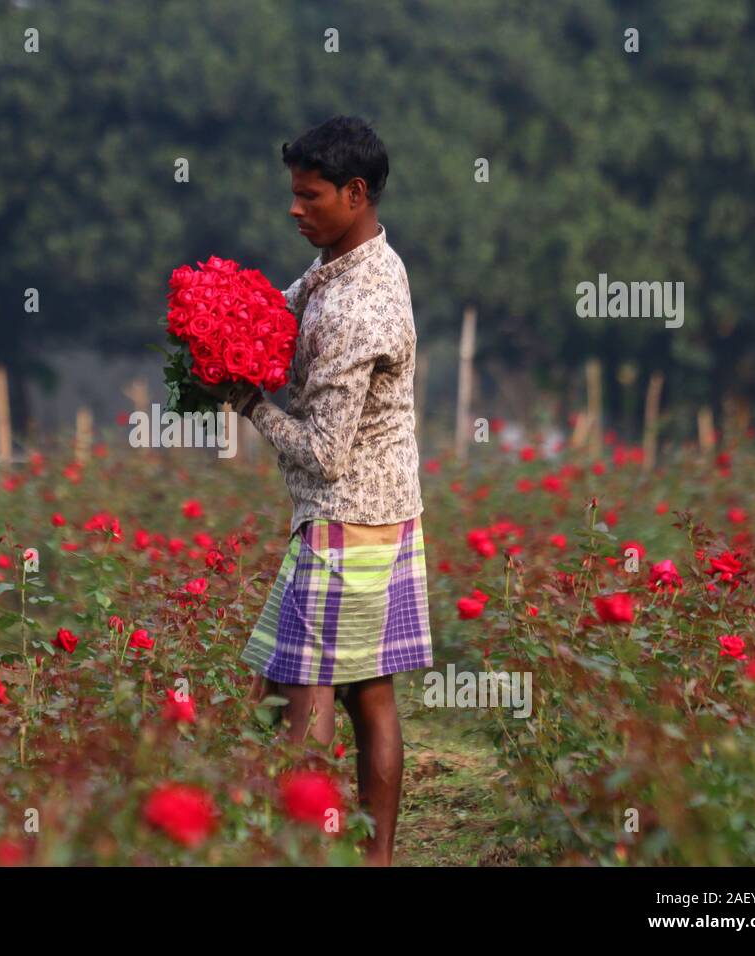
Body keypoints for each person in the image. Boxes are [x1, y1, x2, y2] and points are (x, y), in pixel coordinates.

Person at [206, 115, 431, 867]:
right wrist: (217, 318)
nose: (294, 210)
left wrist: (246, 403)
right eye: (293, 194)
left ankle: (308, 854)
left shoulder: (355, 306)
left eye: (309, 197)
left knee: (303, 701)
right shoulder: (352, 263)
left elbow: (326, 453)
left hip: (348, 522)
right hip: (378, 519)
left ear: (355, 193)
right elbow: (280, 305)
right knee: (359, 693)